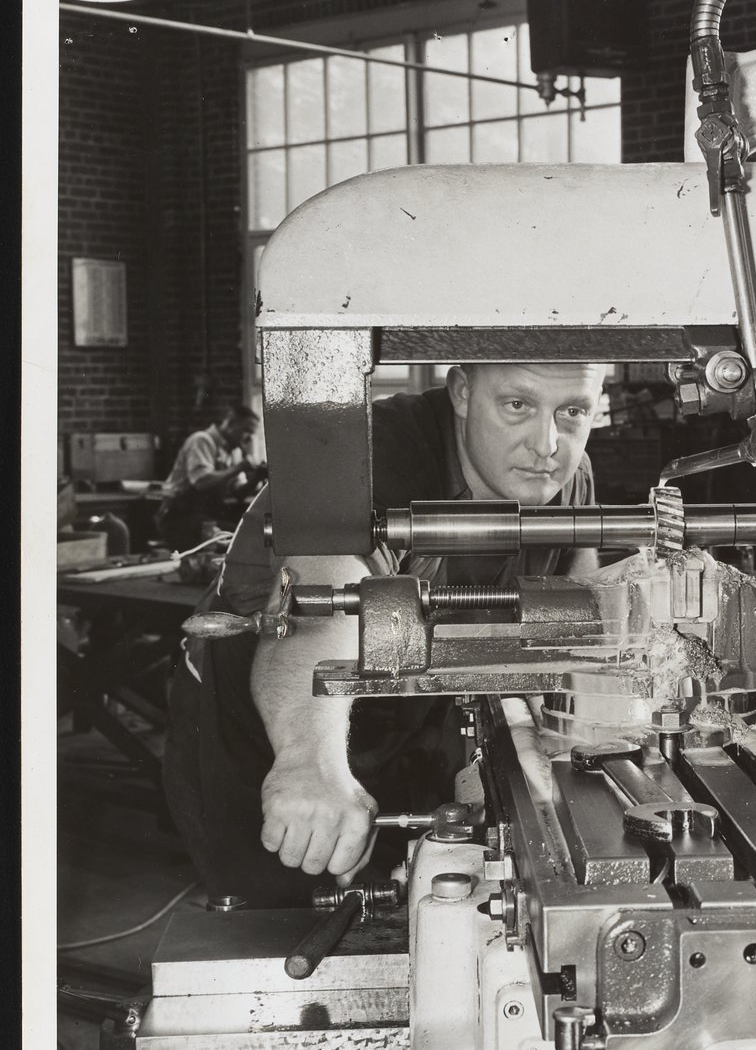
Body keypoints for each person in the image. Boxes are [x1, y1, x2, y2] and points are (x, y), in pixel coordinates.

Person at [162, 362, 606, 907]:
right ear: (462, 392)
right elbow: (321, 594)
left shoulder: (570, 474)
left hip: (401, 714)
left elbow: (582, 605)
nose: (547, 444)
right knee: (275, 920)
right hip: (277, 723)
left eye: (573, 410)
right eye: (518, 405)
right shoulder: (371, 452)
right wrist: (309, 762)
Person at [157, 405, 267, 552]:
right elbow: (201, 482)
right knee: (236, 542)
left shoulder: (234, 451)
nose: (248, 438)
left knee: (245, 536)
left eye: (252, 434)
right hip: (178, 518)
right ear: (230, 423)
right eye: (246, 431)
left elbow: (238, 493)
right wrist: (237, 468)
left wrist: (256, 478)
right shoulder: (202, 441)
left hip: (205, 517)